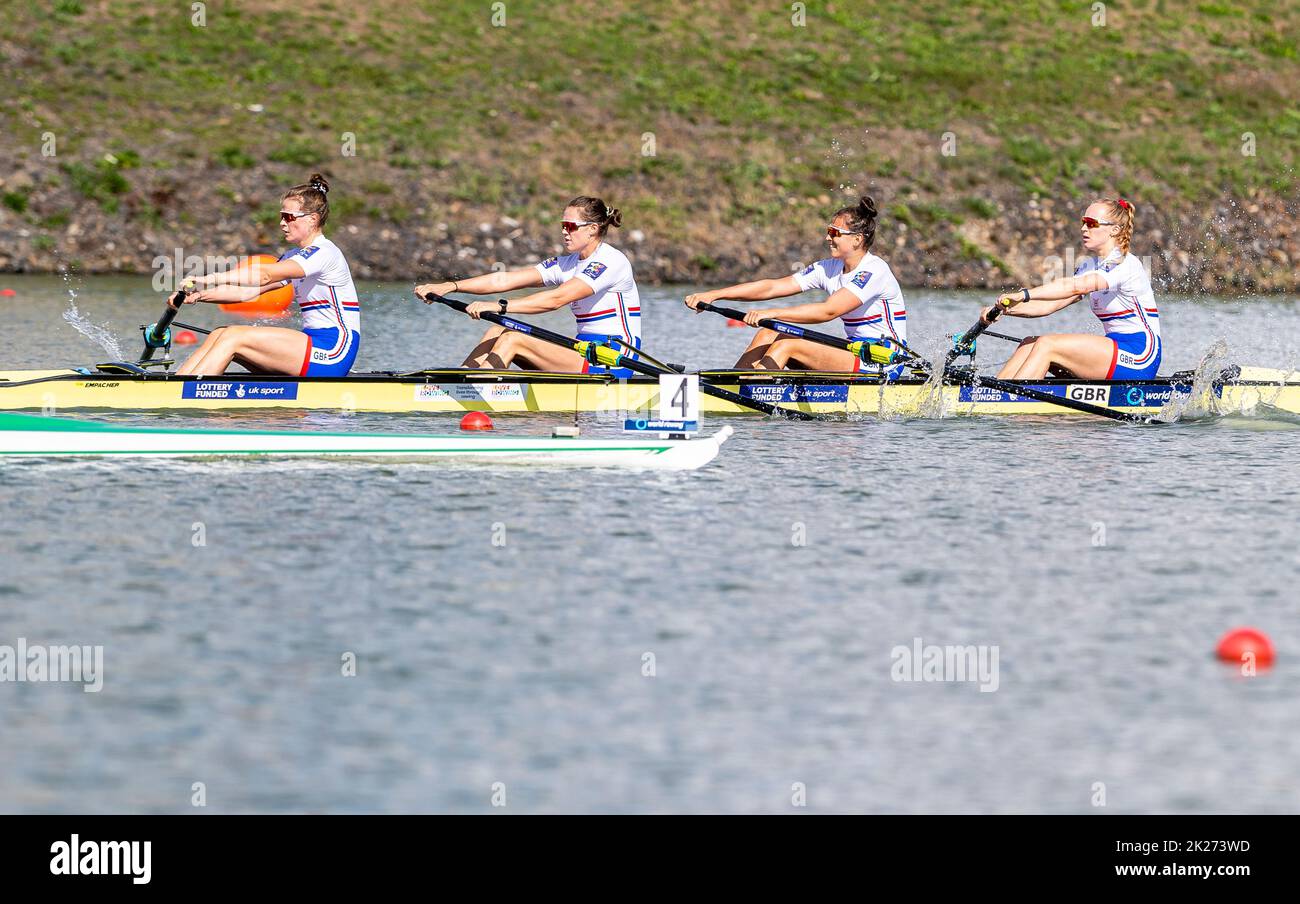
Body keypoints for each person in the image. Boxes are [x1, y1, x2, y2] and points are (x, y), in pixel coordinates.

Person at [415, 197, 641, 376]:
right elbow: (503, 280)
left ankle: (474, 390)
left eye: (570, 226)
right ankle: (461, 380)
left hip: (613, 358)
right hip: (583, 350)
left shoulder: (609, 261)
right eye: (563, 225)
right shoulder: (566, 264)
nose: (564, 231)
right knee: (497, 331)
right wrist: (450, 286)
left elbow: (556, 300)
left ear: (592, 229)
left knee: (513, 338)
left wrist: (498, 307)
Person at [683, 196, 906, 373]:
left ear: (857, 239)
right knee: (767, 334)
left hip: (882, 360)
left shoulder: (874, 270)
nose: (828, 238)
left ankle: (749, 392)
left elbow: (828, 311)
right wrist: (714, 295)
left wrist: (771, 313)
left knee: (788, 342)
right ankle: (736, 381)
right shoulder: (828, 268)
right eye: (828, 231)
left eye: (834, 233)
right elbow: (771, 287)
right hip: (854, 351)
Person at [173, 173, 360, 376]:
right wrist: (198, 295)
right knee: (220, 333)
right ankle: (177, 384)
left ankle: (187, 392)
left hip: (334, 350)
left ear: (312, 219)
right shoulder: (294, 257)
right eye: (281, 216)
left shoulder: (324, 252)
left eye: (289, 217)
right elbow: (246, 293)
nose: (282, 223)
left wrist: (208, 278)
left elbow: (263, 276)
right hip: (313, 344)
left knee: (234, 336)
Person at [982, 198, 1158, 380]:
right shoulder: (1089, 267)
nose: (1083, 229)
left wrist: (1023, 294)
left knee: (1047, 344)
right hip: (1114, 350)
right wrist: (1004, 310)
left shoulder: (1125, 264)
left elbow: (1074, 287)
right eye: (1083, 222)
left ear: (1115, 230)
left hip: (1140, 355)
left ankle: (1012, 400)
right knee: (1029, 343)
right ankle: (989, 396)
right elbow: (1047, 306)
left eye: (1091, 224)